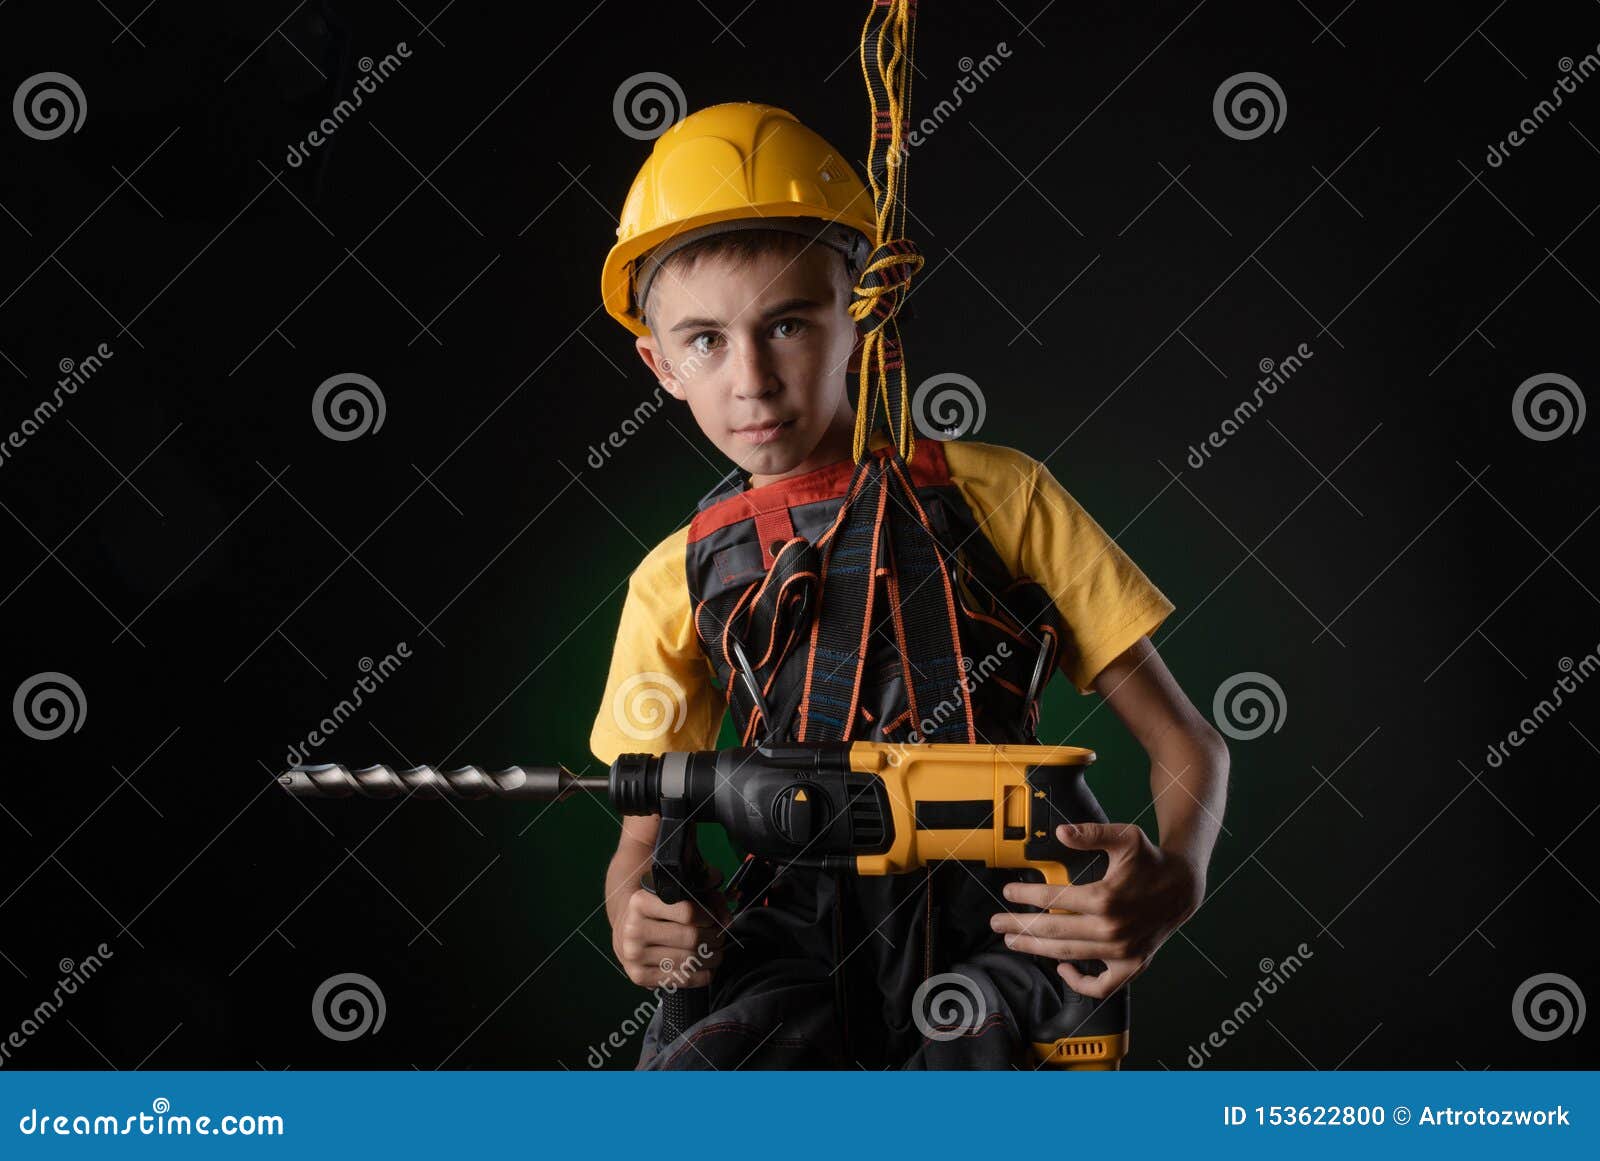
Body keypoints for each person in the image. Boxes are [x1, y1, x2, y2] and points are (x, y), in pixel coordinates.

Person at [589, 101, 1229, 1069]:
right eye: (705, 340)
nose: (751, 379)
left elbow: (1188, 743)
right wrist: (638, 920)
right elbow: (644, 840)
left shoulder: (999, 497)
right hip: (789, 944)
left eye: (788, 324)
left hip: (1013, 928)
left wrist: (1175, 878)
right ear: (659, 364)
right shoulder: (675, 575)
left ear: (861, 315)